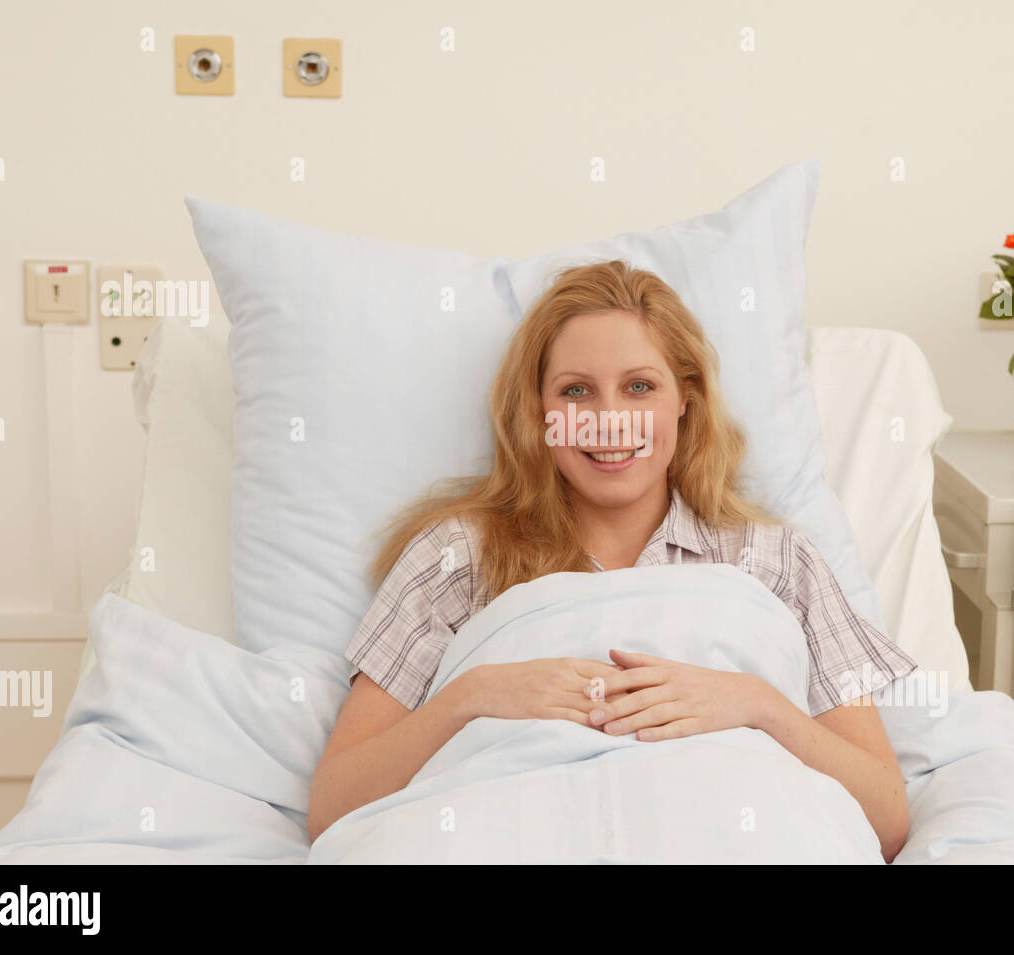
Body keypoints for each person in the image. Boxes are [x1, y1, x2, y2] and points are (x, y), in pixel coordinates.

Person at [307, 260, 917, 860]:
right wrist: (473, 694)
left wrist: (759, 705)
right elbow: (334, 807)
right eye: (576, 391)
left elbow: (885, 817)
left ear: (686, 399)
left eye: (639, 387)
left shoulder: (779, 562)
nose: (609, 420)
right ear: (539, 413)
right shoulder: (457, 557)